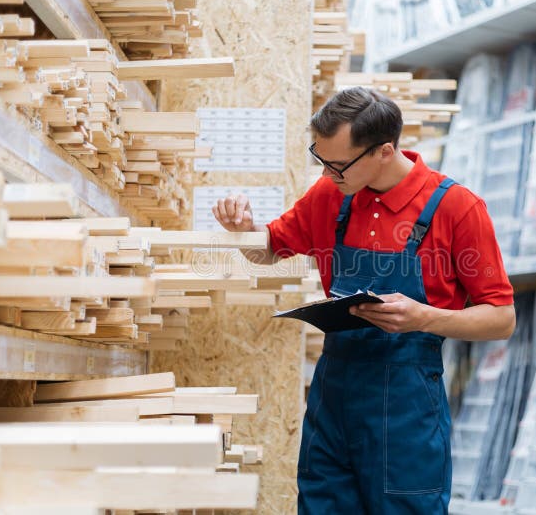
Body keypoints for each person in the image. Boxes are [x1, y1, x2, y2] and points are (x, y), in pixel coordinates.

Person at [212, 86, 516, 514]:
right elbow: (269, 249)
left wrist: (423, 318)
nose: (325, 175)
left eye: (336, 166)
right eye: (320, 159)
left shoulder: (458, 209)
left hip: (406, 407)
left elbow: (501, 318)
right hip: (333, 396)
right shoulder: (330, 196)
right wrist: (243, 230)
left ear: (384, 152)